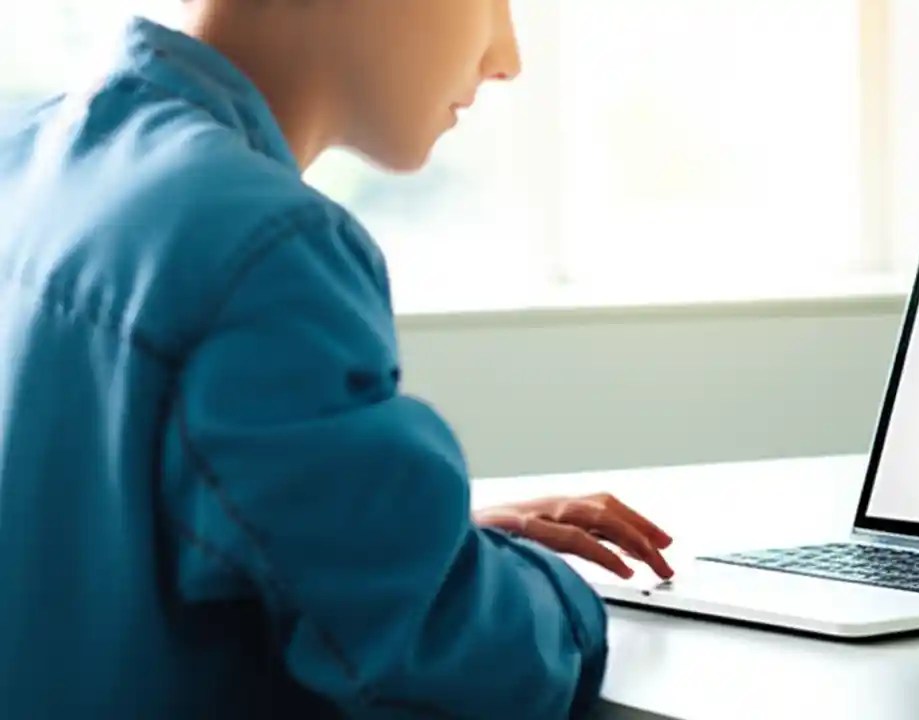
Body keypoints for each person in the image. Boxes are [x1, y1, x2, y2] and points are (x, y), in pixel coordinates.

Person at [0, 1, 675, 717]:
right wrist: (544, 583)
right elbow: (447, 661)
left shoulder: (29, 160)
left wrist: (412, 547)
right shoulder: (264, 246)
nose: (506, 60)